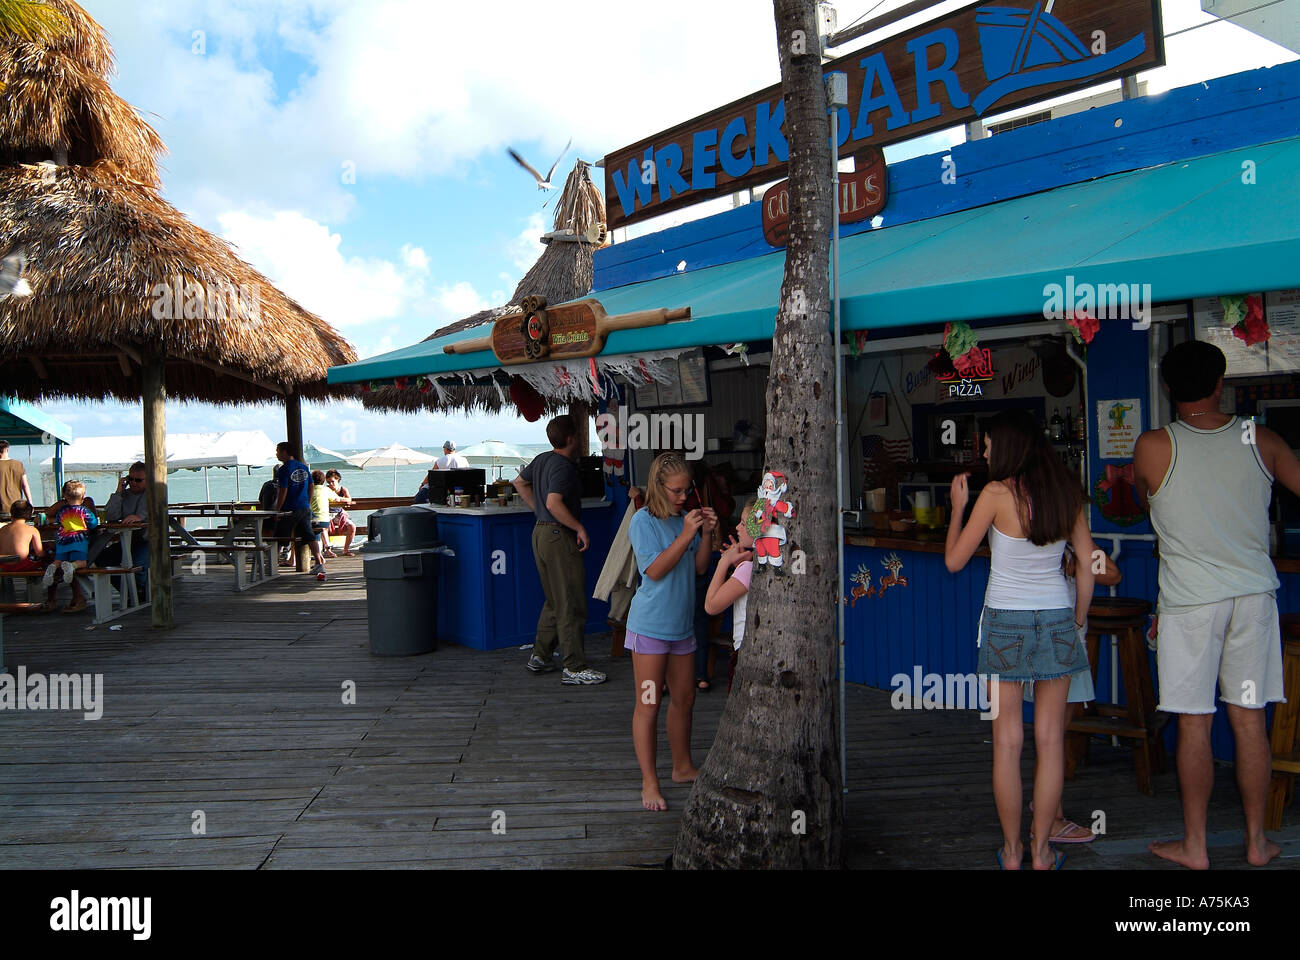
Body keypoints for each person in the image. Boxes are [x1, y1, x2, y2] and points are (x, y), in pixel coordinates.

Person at [1134, 340, 1300, 869]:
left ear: (1167, 389)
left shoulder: (1154, 445)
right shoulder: (1262, 438)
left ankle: (1196, 846)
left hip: (1190, 607)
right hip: (1252, 601)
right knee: (1250, 721)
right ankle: (1256, 843)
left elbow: (1144, 497)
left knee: (1195, 724)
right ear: (1220, 384)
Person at [945, 409, 1097, 870]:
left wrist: (957, 510)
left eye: (988, 443)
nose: (985, 451)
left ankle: (1012, 853)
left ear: (1008, 446)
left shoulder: (994, 494)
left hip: (1004, 623)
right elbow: (1089, 563)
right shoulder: (1066, 493)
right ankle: (1042, 851)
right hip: (1055, 619)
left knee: (1007, 742)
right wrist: (1078, 619)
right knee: (1050, 741)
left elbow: (954, 561)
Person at [626, 452, 717, 811]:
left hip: (682, 628)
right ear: (658, 488)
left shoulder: (685, 522)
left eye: (687, 490)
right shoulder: (643, 522)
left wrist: (706, 534)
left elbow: (698, 568)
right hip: (649, 629)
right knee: (648, 704)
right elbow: (656, 570)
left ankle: (682, 766)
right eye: (677, 491)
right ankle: (650, 781)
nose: (683, 497)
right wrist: (688, 533)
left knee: (686, 699)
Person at [513, 415, 606, 685]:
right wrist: (579, 527)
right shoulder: (564, 467)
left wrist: (537, 509)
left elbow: (519, 483)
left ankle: (540, 655)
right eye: (577, 434)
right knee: (571, 603)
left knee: (555, 599)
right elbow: (554, 503)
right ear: (570, 438)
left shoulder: (542, 459)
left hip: (540, 533)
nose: (579, 439)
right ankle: (574, 667)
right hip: (557, 535)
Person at [703, 501, 757, 694]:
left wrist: (723, 562)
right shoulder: (759, 565)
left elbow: (711, 605)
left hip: (745, 652)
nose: (737, 527)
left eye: (743, 523)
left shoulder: (749, 569)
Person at [273, 442, 327, 582]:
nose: (276, 454)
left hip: (289, 508)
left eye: (278, 451)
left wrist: (277, 510)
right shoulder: (303, 467)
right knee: (309, 535)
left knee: (279, 537)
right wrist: (307, 503)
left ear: (285, 452)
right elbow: (311, 486)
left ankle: (272, 566)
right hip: (304, 507)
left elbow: (283, 490)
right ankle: (319, 563)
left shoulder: (284, 469)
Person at [44, 480, 98, 613]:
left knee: (58, 560)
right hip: (78, 541)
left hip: (62, 541)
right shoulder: (84, 511)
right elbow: (93, 524)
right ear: (83, 497)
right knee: (81, 562)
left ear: (65, 496)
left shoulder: (62, 511)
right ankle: (72, 566)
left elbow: (57, 520)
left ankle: (53, 567)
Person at [102, 461, 151, 600]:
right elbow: (110, 515)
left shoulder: (153, 494)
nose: (133, 483)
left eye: (138, 480)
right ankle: (131, 593)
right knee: (101, 558)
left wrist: (140, 517)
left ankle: (137, 592)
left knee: (137, 568)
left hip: (147, 540)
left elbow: (146, 513)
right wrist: (119, 491)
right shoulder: (125, 494)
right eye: (130, 479)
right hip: (127, 540)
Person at [0, 499, 44, 572]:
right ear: (29, 515)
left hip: (3, 565)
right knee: (47, 553)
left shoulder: (3, 529)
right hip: (21, 563)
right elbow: (40, 553)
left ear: (11, 513)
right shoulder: (32, 530)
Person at [324, 470, 356, 556]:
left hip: (339, 514)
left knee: (352, 527)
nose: (331, 484)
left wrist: (340, 499)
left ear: (337, 480)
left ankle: (346, 550)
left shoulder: (343, 489)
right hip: (327, 514)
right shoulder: (325, 490)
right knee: (323, 528)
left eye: (332, 481)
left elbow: (349, 499)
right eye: (329, 482)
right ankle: (327, 550)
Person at [0, 440, 34, 520]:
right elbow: (25, 485)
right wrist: (30, 503)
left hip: (1, 507)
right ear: (7, 449)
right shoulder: (18, 464)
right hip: (17, 507)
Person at [309, 470, 333, 559]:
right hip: (325, 521)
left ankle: (319, 558)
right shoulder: (326, 490)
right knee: (319, 531)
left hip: (314, 520)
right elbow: (338, 499)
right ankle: (323, 553)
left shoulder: (309, 490)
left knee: (301, 530)